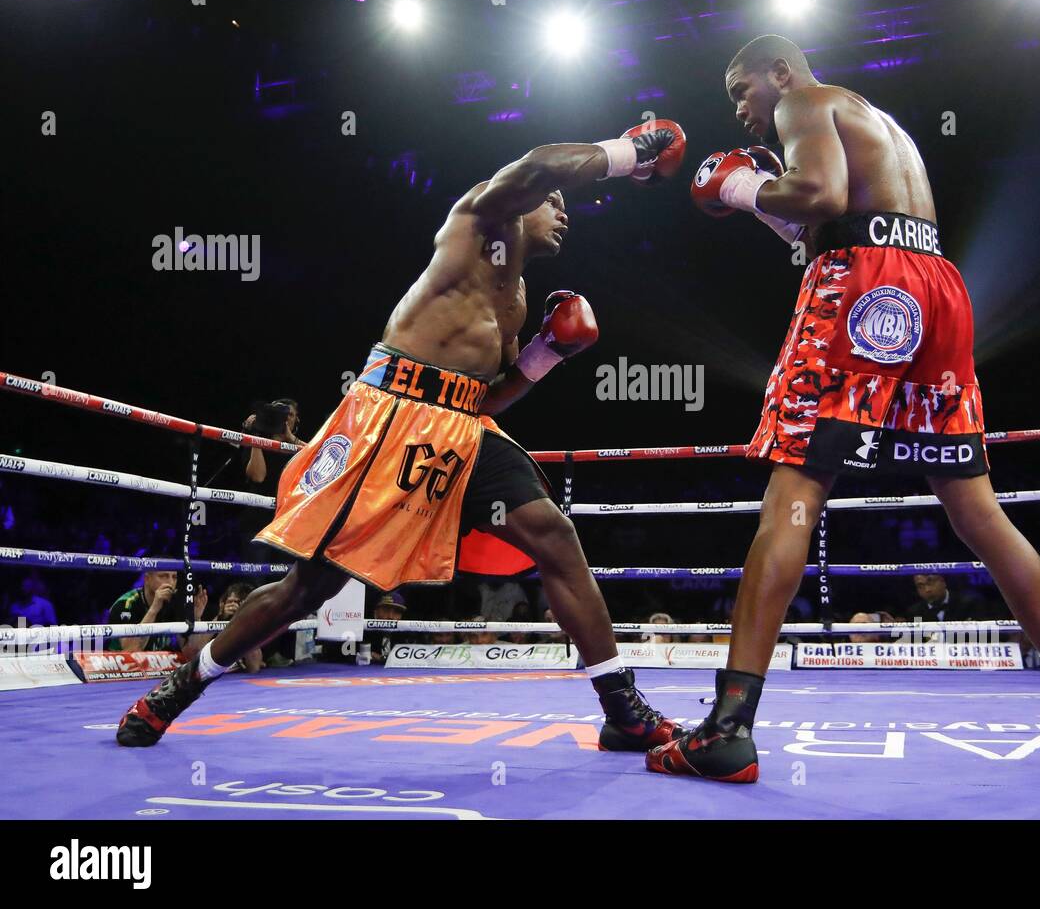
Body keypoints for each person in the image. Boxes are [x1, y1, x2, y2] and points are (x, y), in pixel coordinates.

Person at [648, 35, 1040, 782]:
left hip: (864, 284)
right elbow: (829, 220)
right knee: (979, 513)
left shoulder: (805, 101)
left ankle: (728, 728)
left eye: (740, 90)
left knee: (794, 492)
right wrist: (760, 202)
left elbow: (820, 201)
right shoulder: (878, 124)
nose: (741, 110)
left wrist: (736, 188)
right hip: (937, 290)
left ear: (779, 72)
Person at [117, 119, 689, 755]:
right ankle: (181, 685)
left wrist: (547, 353)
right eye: (554, 204)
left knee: (553, 533)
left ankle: (623, 709)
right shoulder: (480, 218)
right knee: (311, 588)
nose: (563, 214)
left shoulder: (517, 296)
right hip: (392, 416)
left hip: (465, 427)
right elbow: (541, 165)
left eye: (563, 205)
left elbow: (492, 392)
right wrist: (628, 152)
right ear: (523, 202)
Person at [107, 571, 207, 655]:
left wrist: (195, 618)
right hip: (120, 670)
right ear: (147, 579)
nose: (170, 582)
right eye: (163, 576)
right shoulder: (127, 604)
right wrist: (154, 609)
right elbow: (131, 650)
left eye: (174, 577)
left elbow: (189, 653)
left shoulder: (174, 602)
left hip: (156, 669)